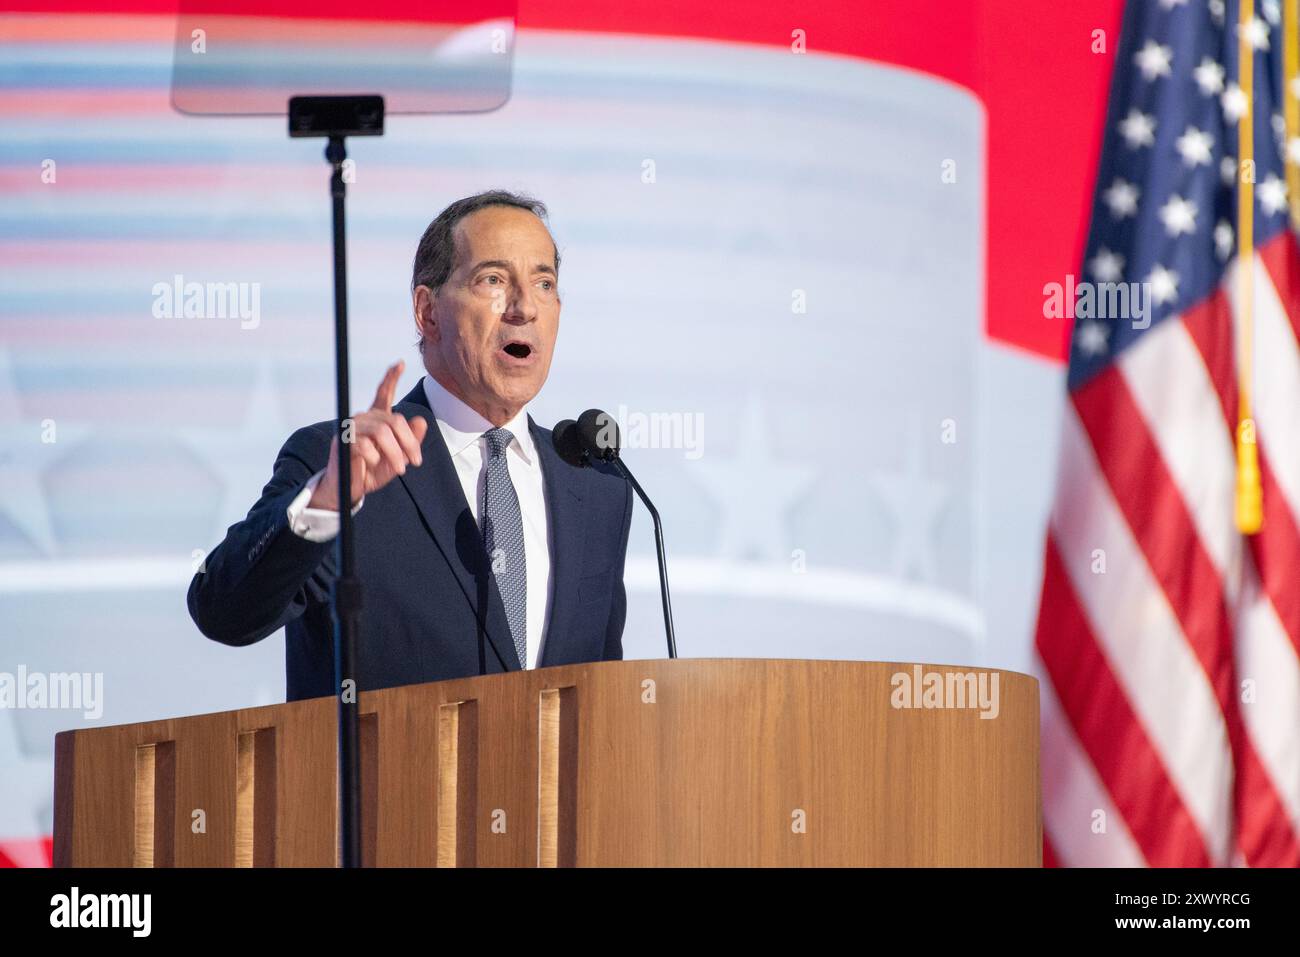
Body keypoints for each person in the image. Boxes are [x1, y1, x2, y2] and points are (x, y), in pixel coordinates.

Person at [187, 190, 632, 701]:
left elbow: (599, 696)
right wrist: (326, 502)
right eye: (493, 279)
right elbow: (223, 613)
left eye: (544, 283)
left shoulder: (598, 489)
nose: (524, 307)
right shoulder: (339, 466)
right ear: (427, 312)